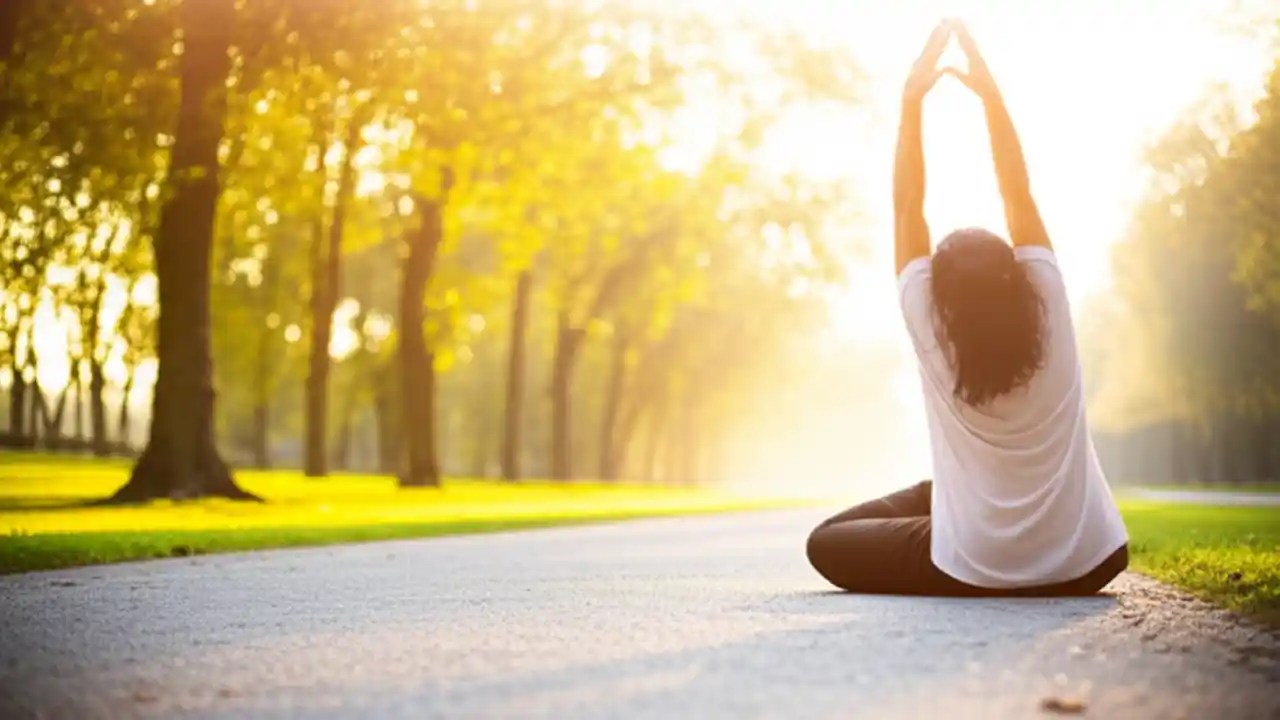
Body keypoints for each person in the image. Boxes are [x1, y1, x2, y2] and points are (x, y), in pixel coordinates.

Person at [806, 20, 1129, 597]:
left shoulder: (930, 323)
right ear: (1017, 278)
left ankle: (967, 519)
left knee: (827, 539)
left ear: (942, 294)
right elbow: (1017, 194)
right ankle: (969, 509)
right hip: (1092, 561)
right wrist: (991, 98)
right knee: (949, 487)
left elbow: (908, 208)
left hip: (975, 568)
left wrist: (912, 102)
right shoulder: (1048, 303)